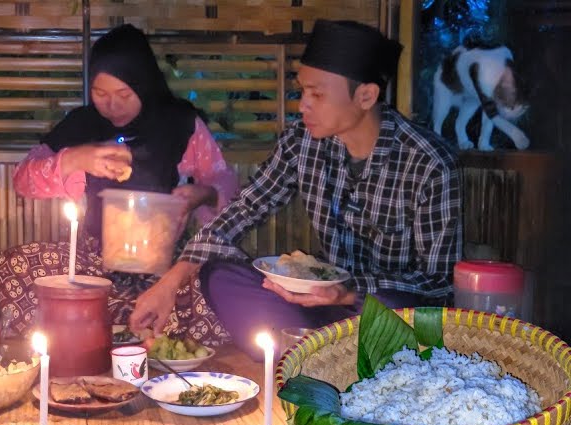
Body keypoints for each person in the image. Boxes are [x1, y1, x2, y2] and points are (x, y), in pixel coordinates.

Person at [131, 19, 462, 356]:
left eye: (317, 94)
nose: (303, 104)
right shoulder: (301, 141)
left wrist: (349, 291)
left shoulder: (429, 163)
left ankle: (313, 353)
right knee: (220, 276)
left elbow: (439, 283)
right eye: (302, 91)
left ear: (365, 96)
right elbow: (244, 209)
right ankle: (318, 353)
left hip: (379, 311)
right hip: (316, 308)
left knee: (394, 307)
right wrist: (171, 281)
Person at [0, 24, 240, 345]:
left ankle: (98, 327)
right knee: (12, 266)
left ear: (145, 84)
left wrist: (203, 195)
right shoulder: (81, 125)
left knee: (225, 284)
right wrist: (74, 159)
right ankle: (133, 329)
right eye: (100, 94)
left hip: (165, 270)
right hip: (92, 266)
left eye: (124, 94)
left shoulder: (180, 123)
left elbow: (224, 182)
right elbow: (23, 180)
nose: (112, 105)